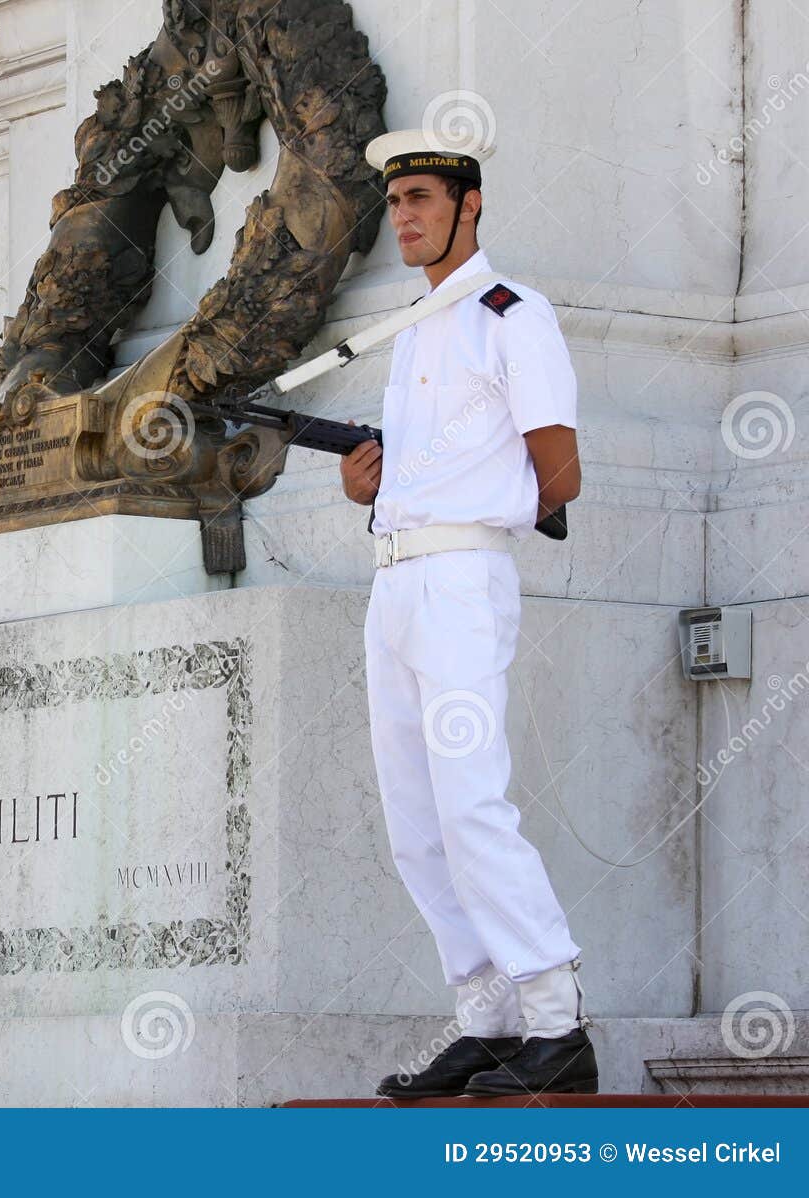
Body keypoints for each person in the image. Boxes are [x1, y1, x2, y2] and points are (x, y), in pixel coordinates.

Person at [338, 129, 597, 1097]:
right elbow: (420, 468)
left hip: (457, 581)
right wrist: (371, 488)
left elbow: (558, 467)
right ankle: (485, 1019)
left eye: (419, 198)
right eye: (394, 201)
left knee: (471, 801)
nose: (403, 216)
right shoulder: (419, 324)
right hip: (394, 581)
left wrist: (471, 512)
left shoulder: (508, 313)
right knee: (414, 816)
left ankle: (553, 1019)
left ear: (467, 204)